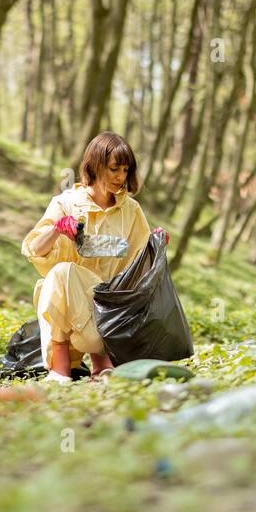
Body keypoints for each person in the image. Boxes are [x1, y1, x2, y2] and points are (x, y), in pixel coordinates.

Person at [21, 131, 168, 383]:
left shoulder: (131, 210)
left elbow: (140, 267)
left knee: (76, 280)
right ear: (96, 165)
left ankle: (103, 363)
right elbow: (35, 250)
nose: (120, 177)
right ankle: (60, 367)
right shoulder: (65, 203)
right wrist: (57, 229)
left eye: (125, 170)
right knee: (60, 274)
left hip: (111, 313)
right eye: (114, 169)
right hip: (69, 315)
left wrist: (156, 246)